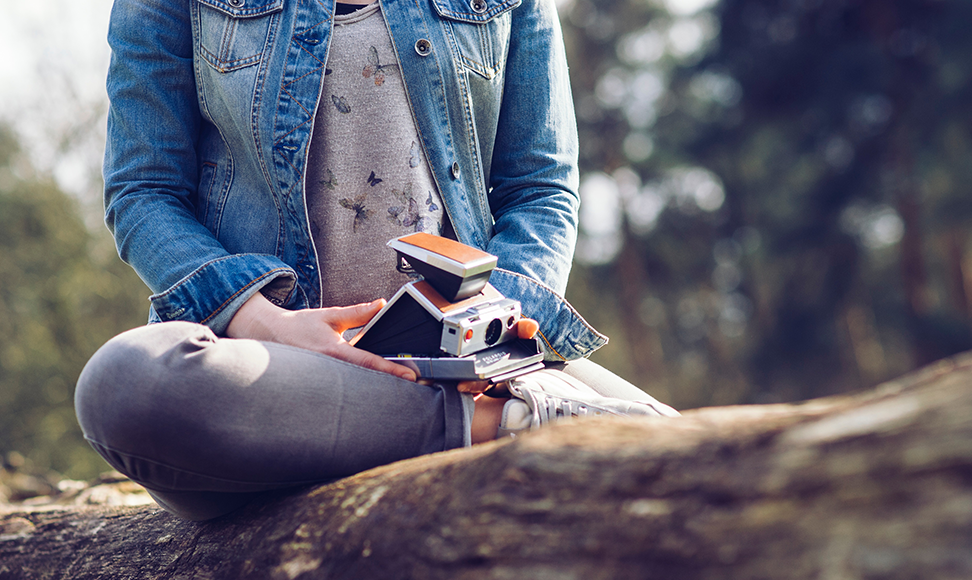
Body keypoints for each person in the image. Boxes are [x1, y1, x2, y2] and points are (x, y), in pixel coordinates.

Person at [75, 0, 678, 521]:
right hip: (268, 385)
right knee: (124, 385)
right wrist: (269, 323)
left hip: (469, 370)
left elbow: (540, 184)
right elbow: (144, 189)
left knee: (680, 461)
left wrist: (489, 326)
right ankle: (517, 427)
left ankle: (514, 417)